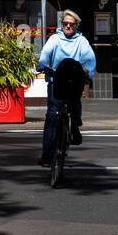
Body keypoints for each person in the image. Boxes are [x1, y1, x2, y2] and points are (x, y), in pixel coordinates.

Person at [36, 9, 96, 166]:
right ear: (61, 24)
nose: (68, 26)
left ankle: (75, 127)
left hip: (74, 82)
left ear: (76, 26)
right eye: (65, 23)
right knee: (51, 116)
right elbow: (45, 53)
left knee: (74, 104)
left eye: (71, 24)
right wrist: (43, 65)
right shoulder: (55, 39)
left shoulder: (81, 41)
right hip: (56, 81)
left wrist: (87, 76)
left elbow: (89, 59)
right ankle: (47, 155)